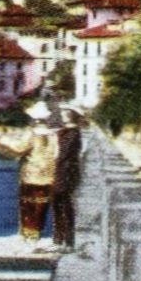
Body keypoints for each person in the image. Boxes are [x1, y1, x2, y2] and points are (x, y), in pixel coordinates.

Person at [0, 101, 62, 251]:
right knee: (41, 206)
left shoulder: (31, 134)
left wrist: (1, 139)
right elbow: (56, 155)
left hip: (31, 175)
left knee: (28, 205)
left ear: (34, 119)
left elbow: (19, 148)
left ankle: (28, 237)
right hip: (48, 175)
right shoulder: (53, 136)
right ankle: (36, 234)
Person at [50, 105, 84, 252]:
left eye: (65, 113)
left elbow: (63, 155)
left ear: (71, 116)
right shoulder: (67, 132)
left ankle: (67, 241)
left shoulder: (72, 134)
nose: (62, 115)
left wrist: (50, 162)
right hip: (63, 172)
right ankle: (59, 239)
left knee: (64, 205)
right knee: (58, 204)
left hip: (66, 173)